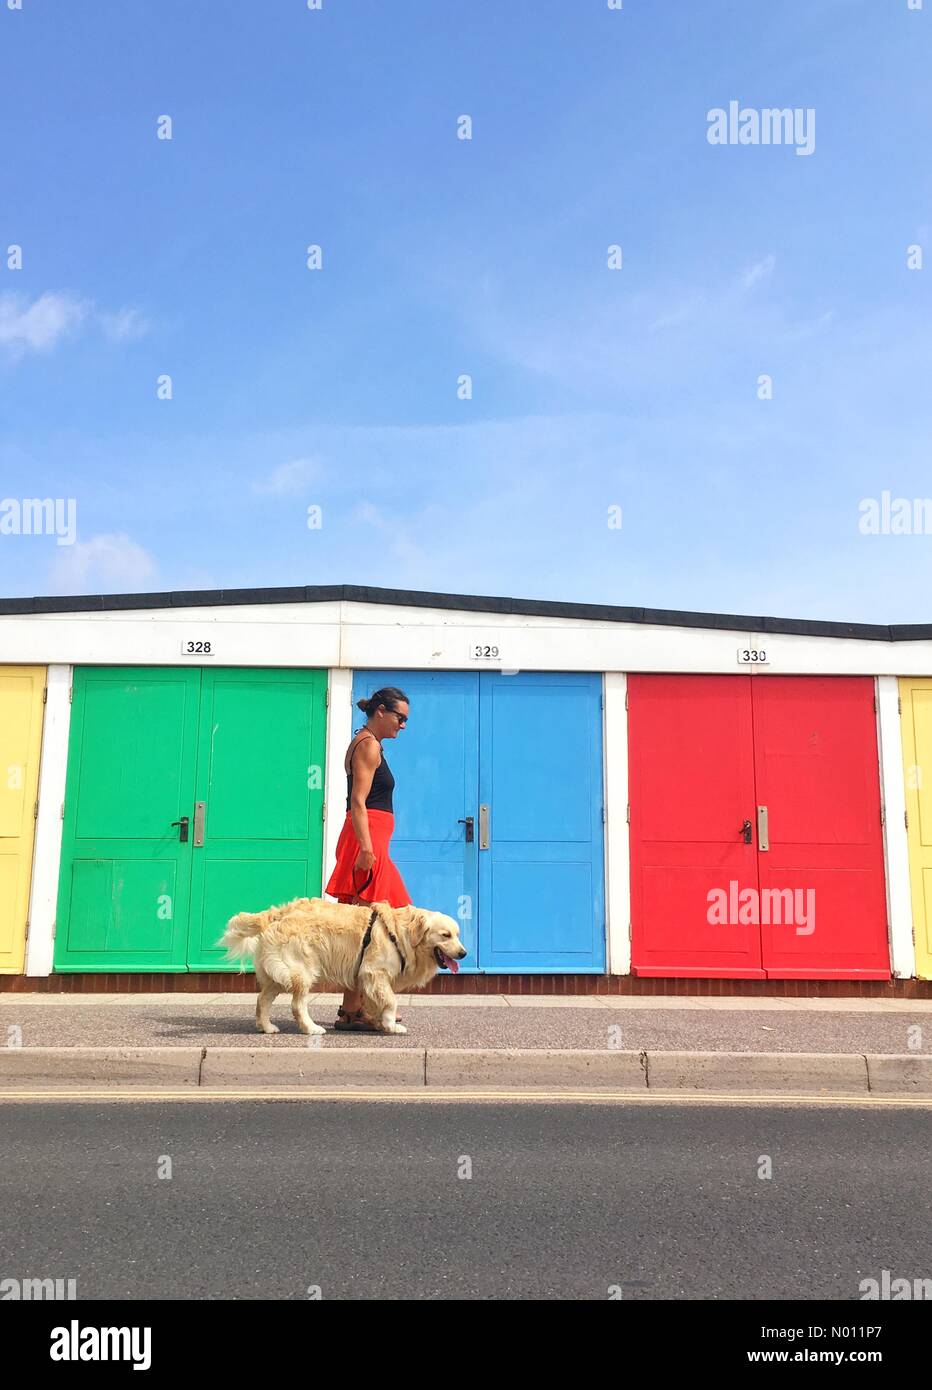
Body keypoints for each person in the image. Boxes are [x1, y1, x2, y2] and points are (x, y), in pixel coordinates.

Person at [325, 686, 411, 1030]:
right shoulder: (369, 745)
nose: (403, 725)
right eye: (399, 717)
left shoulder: (368, 742)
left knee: (365, 928)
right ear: (380, 711)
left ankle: (352, 1009)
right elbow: (359, 802)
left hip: (372, 839)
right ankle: (372, 1004)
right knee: (381, 926)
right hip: (368, 840)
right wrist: (366, 849)